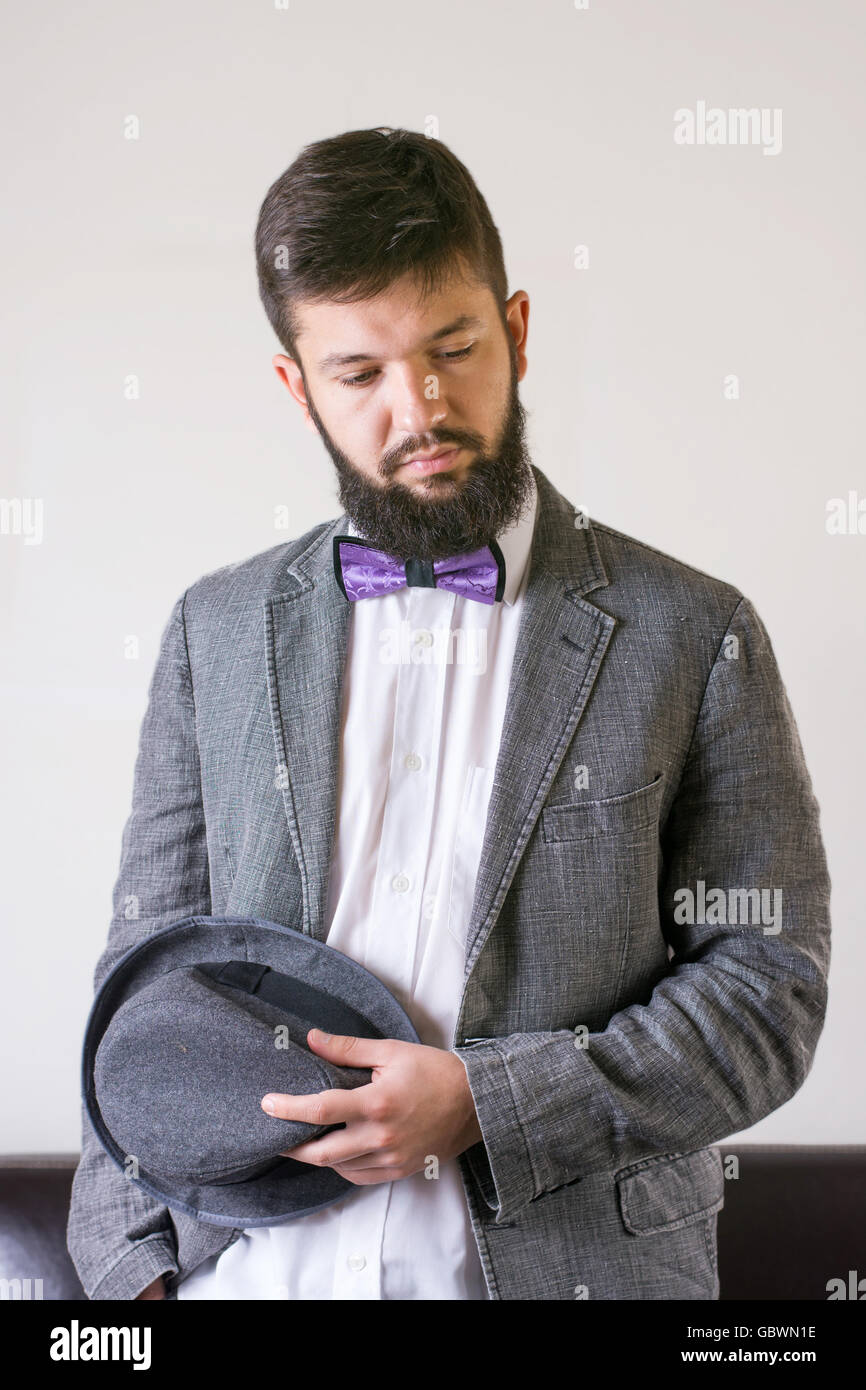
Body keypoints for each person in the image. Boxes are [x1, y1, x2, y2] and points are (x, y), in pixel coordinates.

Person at [67, 127, 831, 1301]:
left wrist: (488, 1105)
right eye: (359, 374)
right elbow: (139, 982)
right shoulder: (208, 632)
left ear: (515, 332)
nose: (417, 409)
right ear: (296, 387)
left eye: (452, 348)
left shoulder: (696, 630)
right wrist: (133, 1282)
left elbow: (765, 988)